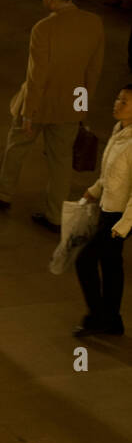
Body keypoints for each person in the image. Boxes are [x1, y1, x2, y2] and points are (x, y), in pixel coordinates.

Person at [0, 0, 103, 234]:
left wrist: (28, 112)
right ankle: (55, 216)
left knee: (16, 148)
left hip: (40, 105)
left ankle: (2, 193)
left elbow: (37, 76)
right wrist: (81, 108)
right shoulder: (94, 24)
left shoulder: (44, 29)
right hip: (70, 107)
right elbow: (93, 71)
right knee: (61, 162)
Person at [74, 84, 132, 338]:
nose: (117, 104)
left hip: (120, 217)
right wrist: (94, 190)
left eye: (125, 102)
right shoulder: (119, 131)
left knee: (85, 259)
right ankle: (112, 320)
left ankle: (98, 316)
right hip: (108, 208)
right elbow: (111, 173)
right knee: (110, 265)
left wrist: (122, 227)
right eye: (118, 98)